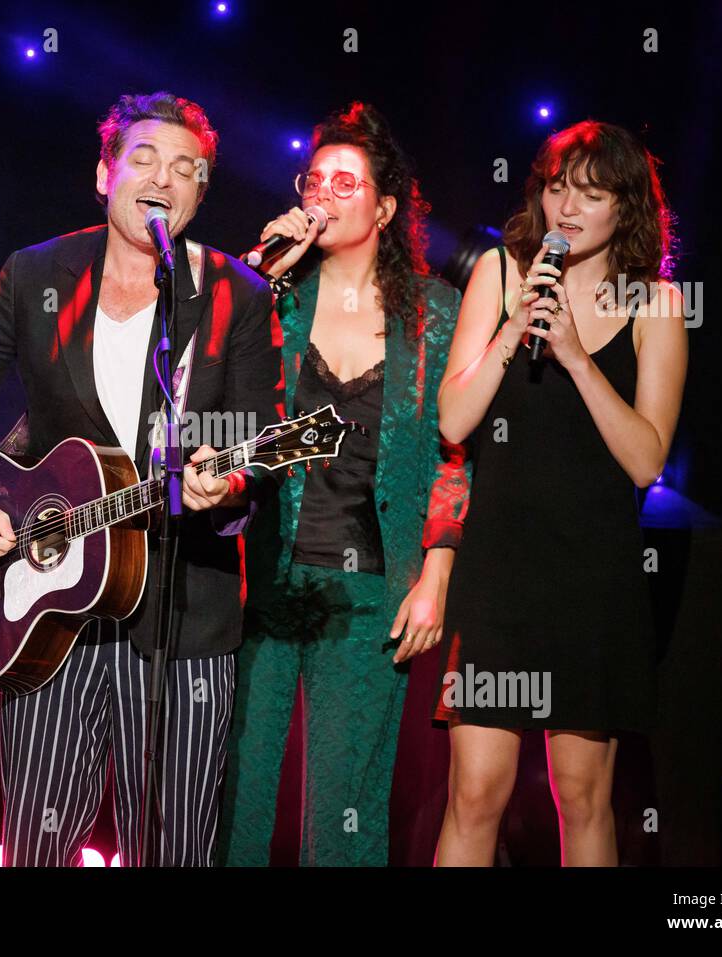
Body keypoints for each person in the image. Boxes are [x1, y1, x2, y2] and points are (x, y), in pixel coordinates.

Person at [0, 91, 283, 867]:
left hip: (183, 618)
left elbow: (250, 446)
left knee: (173, 849)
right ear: (104, 175)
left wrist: (229, 484)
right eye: (142, 159)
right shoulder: (36, 273)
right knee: (36, 846)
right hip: (49, 623)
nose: (163, 179)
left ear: (201, 193)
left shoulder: (236, 296)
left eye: (187, 170)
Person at [217, 102, 470, 866]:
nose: (323, 194)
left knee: (346, 817)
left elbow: (457, 455)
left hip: (370, 592)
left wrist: (436, 574)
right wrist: (258, 271)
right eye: (313, 178)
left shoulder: (434, 314)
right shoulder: (269, 295)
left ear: (385, 207)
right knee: (240, 801)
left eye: (346, 181)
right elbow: (203, 379)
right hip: (261, 579)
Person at [432, 119, 688, 866]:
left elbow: (646, 461)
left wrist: (578, 358)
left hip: (593, 577)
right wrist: (513, 331)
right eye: (556, 187)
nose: (567, 208)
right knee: (475, 792)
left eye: (592, 193)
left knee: (582, 794)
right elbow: (453, 417)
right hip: (500, 573)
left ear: (627, 208)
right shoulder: (502, 273)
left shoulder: (660, 305)